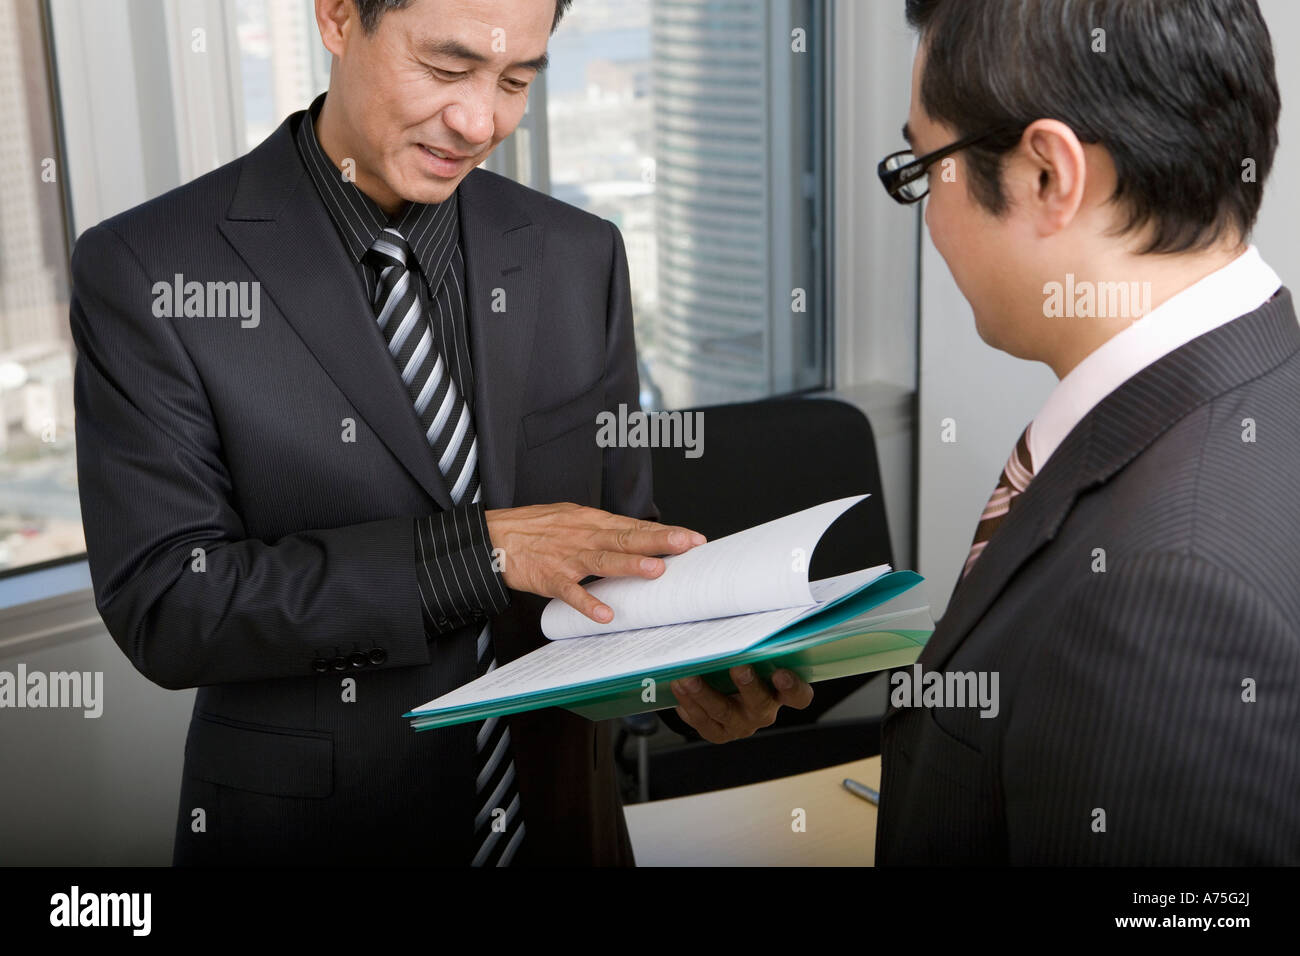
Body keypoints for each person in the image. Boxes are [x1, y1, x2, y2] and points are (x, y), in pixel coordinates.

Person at [68, 0, 811, 867]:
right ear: (339, 17)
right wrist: (477, 554)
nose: (478, 120)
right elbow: (168, 604)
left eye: (516, 80)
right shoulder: (151, 267)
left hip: (564, 827)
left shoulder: (579, 253)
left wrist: (681, 677)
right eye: (447, 69)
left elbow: (616, 556)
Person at [875, 0, 1300, 863]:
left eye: (926, 171)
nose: (931, 221)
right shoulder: (1257, 384)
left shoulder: (1166, 590)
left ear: (1047, 176)